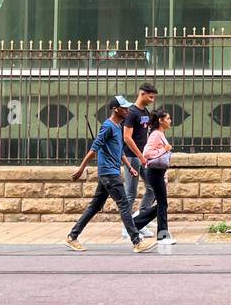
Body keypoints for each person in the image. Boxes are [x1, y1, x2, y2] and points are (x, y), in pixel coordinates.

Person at [65, 95, 158, 254]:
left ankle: (72, 236)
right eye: (125, 108)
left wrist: (129, 166)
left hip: (112, 171)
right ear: (116, 109)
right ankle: (136, 240)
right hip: (108, 173)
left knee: (94, 206)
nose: (128, 110)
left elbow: (119, 150)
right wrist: (81, 169)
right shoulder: (108, 126)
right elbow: (94, 149)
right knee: (123, 204)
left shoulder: (118, 126)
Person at [121, 83, 160, 241]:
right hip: (132, 156)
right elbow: (127, 137)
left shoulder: (145, 111)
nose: (152, 100)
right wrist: (139, 155)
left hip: (143, 156)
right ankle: (127, 226)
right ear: (142, 94)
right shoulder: (131, 112)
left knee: (151, 188)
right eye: (150, 97)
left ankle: (140, 221)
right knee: (130, 192)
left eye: (153, 97)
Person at [139, 109, 176, 245]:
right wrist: (164, 150)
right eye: (168, 118)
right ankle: (162, 237)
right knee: (162, 204)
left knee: (162, 204)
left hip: (158, 173)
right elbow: (146, 153)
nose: (170, 121)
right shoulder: (155, 134)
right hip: (154, 172)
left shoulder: (160, 134)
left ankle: (134, 225)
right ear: (161, 120)